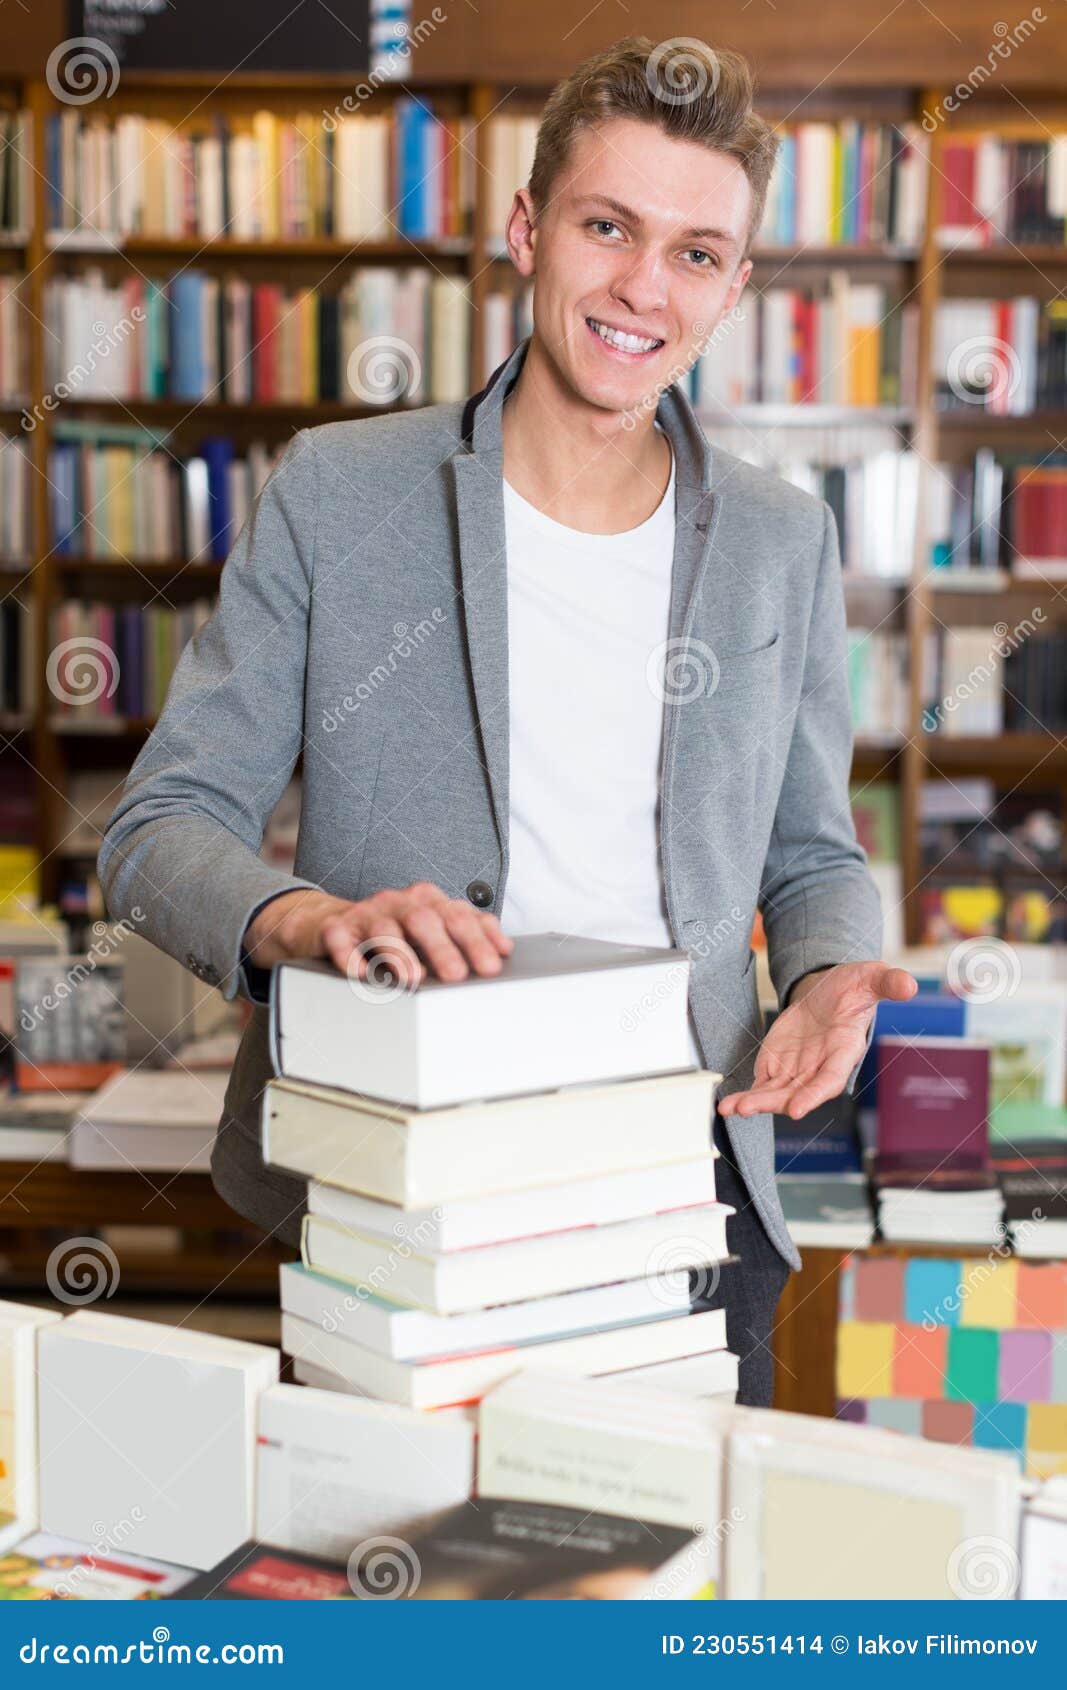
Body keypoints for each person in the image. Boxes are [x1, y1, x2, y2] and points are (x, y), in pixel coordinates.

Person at [98, 35, 916, 1407]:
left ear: (736, 286)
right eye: (610, 227)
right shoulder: (338, 493)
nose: (644, 289)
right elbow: (159, 830)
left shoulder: (783, 538)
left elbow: (813, 853)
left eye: (697, 252)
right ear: (529, 228)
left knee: (673, 1612)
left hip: (688, 1181)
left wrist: (835, 971)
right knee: (398, 1592)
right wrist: (307, 921)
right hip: (403, 1184)